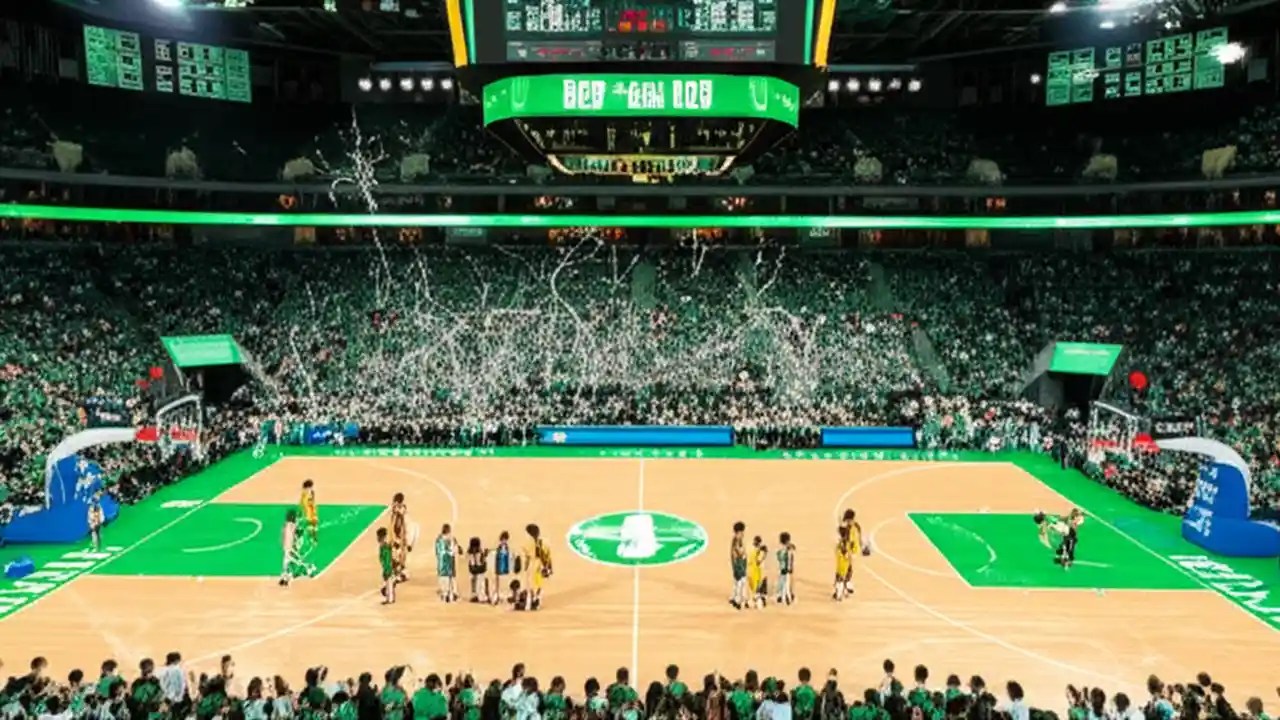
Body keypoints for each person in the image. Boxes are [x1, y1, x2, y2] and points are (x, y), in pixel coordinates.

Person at [522, 524, 552, 611]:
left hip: (533, 564)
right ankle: (537, 600)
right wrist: (549, 567)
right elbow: (547, 556)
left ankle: (530, 602)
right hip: (540, 565)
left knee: (530, 584)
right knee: (538, 583)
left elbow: (526, 557)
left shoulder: (527, 544)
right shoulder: (543, 543)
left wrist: (525, 566)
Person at [390, 493, 413, 582]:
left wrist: (402, 540)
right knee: (397, 556)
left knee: (399, 556)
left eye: (394, 501)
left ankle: (401, 574)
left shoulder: (401, 512)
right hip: (398, 535)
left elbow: (403, 527)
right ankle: (400, 573)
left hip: (401, 536)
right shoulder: (397, 511)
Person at [435, 524, 459, 602]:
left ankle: (445, 594)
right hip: (450, 561)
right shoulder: (452, 539)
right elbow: (455, 550)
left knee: (443, 578)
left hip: (442, 563)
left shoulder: (438, 539)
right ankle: (454, 593)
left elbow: (437, 551)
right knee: (452, 578)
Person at [729, 522, 748, 610]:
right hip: (738, 563)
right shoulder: (737, 540)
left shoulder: (736, 539)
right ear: (739, 531)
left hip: (737, 562)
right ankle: (737, 600)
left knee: (737, 581)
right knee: (741, 581)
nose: (743, 533)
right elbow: (739, 551)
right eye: (742, 531)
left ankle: (734, 598)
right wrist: (743, 553)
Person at [747, 535, 768, 609]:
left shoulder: (753, 550)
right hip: (756, 571)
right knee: (757, 589)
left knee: (755, 589)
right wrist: (764, 554)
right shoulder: (757, 551)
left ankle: (753, 602)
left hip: (752, 571)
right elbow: (758, 561)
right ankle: (757, 602)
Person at [776, 532, 796, 606]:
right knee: (786, 583)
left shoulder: (781, 550)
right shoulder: (788, 550)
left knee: (782, 582)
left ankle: (781, 596)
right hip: (787, 569)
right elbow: (791, 559)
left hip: (782, 568)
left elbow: (779, 558)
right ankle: (787, 597)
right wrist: (790, 568)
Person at [378, 528, 396, 605]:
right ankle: (389, 598)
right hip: (387, 567)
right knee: (388, 583)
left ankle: (390, 599)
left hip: (388, 568)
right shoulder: (384, 546)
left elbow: (387, 560)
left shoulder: (385, 547)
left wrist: (387, 570)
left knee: (389, 583)